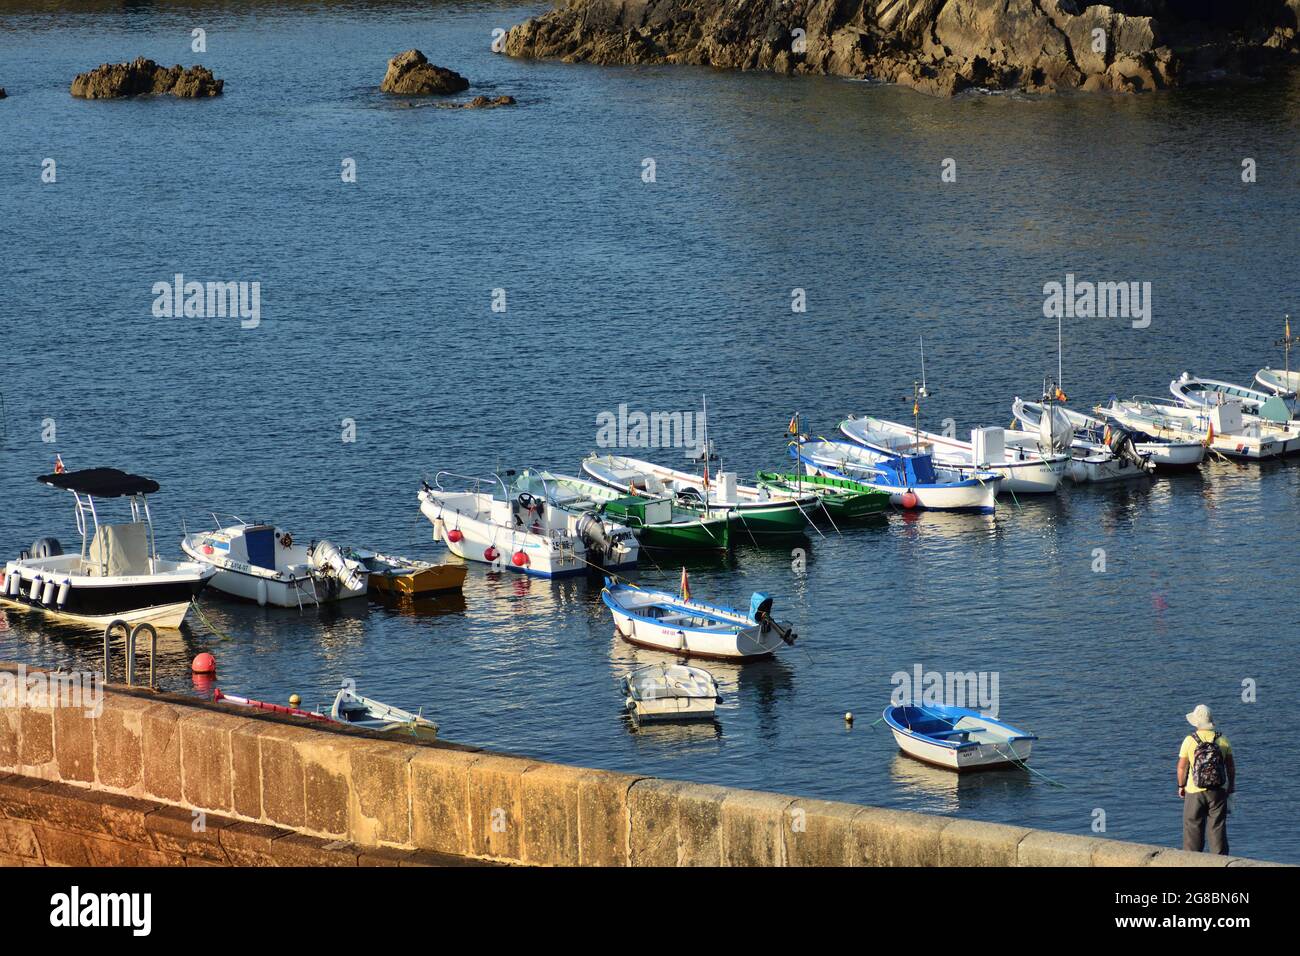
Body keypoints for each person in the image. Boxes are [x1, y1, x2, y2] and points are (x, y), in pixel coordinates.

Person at [1177, 704, 1235, 854]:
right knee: (1217, 827)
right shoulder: (1223, 740)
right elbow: (1230, 767)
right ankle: (1219, 861)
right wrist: (1231, 787)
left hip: (1194, 791)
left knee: (1192, 828)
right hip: (1218, 791)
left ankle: (1192, 861)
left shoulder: (1189, 740)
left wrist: (1181, 786)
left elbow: (1181, 767)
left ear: (1196, 723)